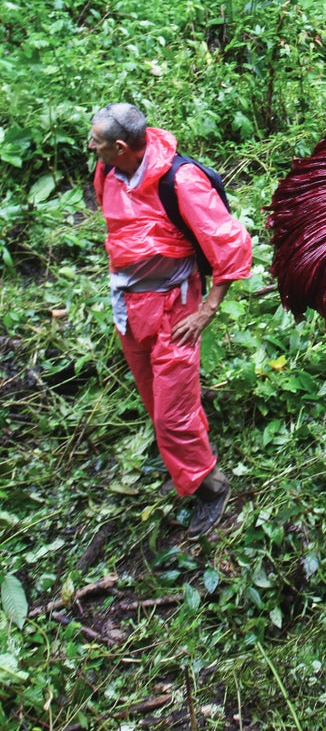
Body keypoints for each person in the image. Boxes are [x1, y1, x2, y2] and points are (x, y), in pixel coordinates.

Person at [89, 102, 252, 536]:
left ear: (121, 146)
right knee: (156, 400)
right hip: (129, 309)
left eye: (98, 142)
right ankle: (187, 456)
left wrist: (207, 309)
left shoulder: (180, 180)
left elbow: (230, 244)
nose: (91, 147)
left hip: (174, 310)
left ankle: (210, 486)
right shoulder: (108, 172)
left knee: (171, 415)